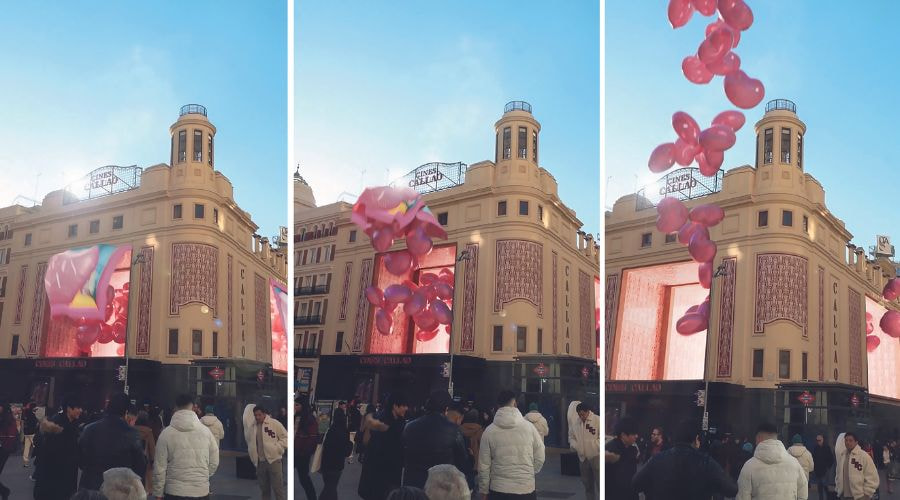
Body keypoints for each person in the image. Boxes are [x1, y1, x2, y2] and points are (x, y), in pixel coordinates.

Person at [633, 418, 738, 499]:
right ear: (696, 438)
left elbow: (636, 484)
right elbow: (731, 489)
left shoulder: (657, 459)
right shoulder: (706, 462)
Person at [478, 390, 546, 499]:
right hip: (526, 489)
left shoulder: (489, 431)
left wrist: (484, 491)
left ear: (498, 406)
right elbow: (540, 456)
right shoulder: (529, 428)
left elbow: (483, 466)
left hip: (498, 489)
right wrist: (529, 472)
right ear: (515, 404)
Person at [152, 394, 219, 499]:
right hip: (201, 491)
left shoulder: (166, 434)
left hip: (174, 491)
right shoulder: (206, 432)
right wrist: (202, 476)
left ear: (175, 408)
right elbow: (214, 461)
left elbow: (159, 467)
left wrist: (158, 493)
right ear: (193, 407)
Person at [78, 393, 147, 490]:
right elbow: (140, 467)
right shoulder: (131, 434)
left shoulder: (89, 429)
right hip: (118, 490)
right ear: (126, 412)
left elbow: (81, 460)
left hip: (90, 489)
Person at [402, 390, 470, 489]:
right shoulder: (454, 430)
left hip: (413, 486)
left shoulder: (409, 427)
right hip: (440, 487)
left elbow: (403, 454)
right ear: (446, 409)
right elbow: (462, 460)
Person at [735, 422, 807, 500]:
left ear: (758, 438)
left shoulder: (749, 467)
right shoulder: (794, 463)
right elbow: (803, 492)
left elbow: (742, 496)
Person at [358, 392, 409, 500]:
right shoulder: (389, 423)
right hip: (379, 478)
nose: (406, 408)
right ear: (395, 406)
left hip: (387, 478)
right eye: (404, 405)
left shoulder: (396, 422)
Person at [33, 394, 83, 500]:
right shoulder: (57, 424)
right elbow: (47, 452)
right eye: (78, 407)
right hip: (54, 475)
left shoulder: (73, 424)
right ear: (69, 408)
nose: (81, 410)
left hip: (67, 473)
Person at [244, 404, 288, 500]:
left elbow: (286, 438)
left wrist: (277, 448)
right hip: (260, 462)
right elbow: (249, 441)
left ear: (264, 414)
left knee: (278, 490)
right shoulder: (253, 426)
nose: (257, 417)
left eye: (259, 415)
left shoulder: (274, 423)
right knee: (264, 490)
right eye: (255, 415)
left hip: (274, 461)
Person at [320, 404, 353, 500]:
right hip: (337, 465)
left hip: (326, 465)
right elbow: (346, 452)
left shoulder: (330, 430)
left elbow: (325, 446)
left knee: (329, 488)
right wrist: (350, 443)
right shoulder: (345, 431)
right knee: (331, 488)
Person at [834, 432, 879, 500]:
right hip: (843, 496)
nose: (848, 442)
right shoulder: (842, 456)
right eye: (846, 440)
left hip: (860, 496)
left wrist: (867, 494)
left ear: (856, 442)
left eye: (850, 440)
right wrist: (838, 488)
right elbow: (838, 474)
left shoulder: (864, 456)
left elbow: (873, 477)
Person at [605, 415, 639, 500]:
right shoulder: (611, 448)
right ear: (623, 435)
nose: (636, 436)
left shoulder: (632, 449)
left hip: (629, 493)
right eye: (633, 434)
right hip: (613, 494)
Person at [571, 402, 601, 499]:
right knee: (587, 485)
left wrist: (593, 446)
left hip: (596, 457)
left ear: (588, 412)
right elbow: (571, 437)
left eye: (583, 414)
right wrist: (576, 446)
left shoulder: (597, 420)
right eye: (579, 415)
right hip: (583, 458)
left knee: (600, 484)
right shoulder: (576, 423)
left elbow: (602, 438)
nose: (581, 417)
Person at [126, 407, 156, 493]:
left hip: (132, 461)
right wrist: (152, 461)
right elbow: (152, 448)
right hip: (145, 462)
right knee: (143, 486)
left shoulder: (130, 430)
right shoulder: (148, 431)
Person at [295, 398, 319, 500]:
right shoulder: (295, 416)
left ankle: (312, 497)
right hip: (294, 451)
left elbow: (312, 437)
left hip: (302, 453)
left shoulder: (309, 418)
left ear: (303, 406)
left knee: (304, 478)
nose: (295, 407)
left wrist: (304, 451)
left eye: (297, 405)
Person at [0, 401, 17, 500]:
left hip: (4, 450)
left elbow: (11, 437)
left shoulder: (9, 419)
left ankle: (4, 491)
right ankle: (4, 491)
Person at [811, 434, 835, 500]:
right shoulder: (816, 448)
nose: (818, 441)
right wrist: (814, 467)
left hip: (825, 470)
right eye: (817, 440)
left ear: (823, 440)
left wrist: (828, 467)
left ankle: (827, 497)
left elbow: (831, 459)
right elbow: (813, 458)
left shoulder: (827, 448)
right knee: (820, 486)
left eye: (819, 440)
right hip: (818, 470)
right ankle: (821, 498)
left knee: (824, 485)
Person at [22, 401, 38, 468]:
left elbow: (23, 421)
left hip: (26, 432)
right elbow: (36, 423)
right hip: (32, 433)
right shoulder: (32, 415)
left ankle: (25, 463)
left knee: (26, 448)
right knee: (36, 446)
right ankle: (37, 461)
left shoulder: (25, 413)